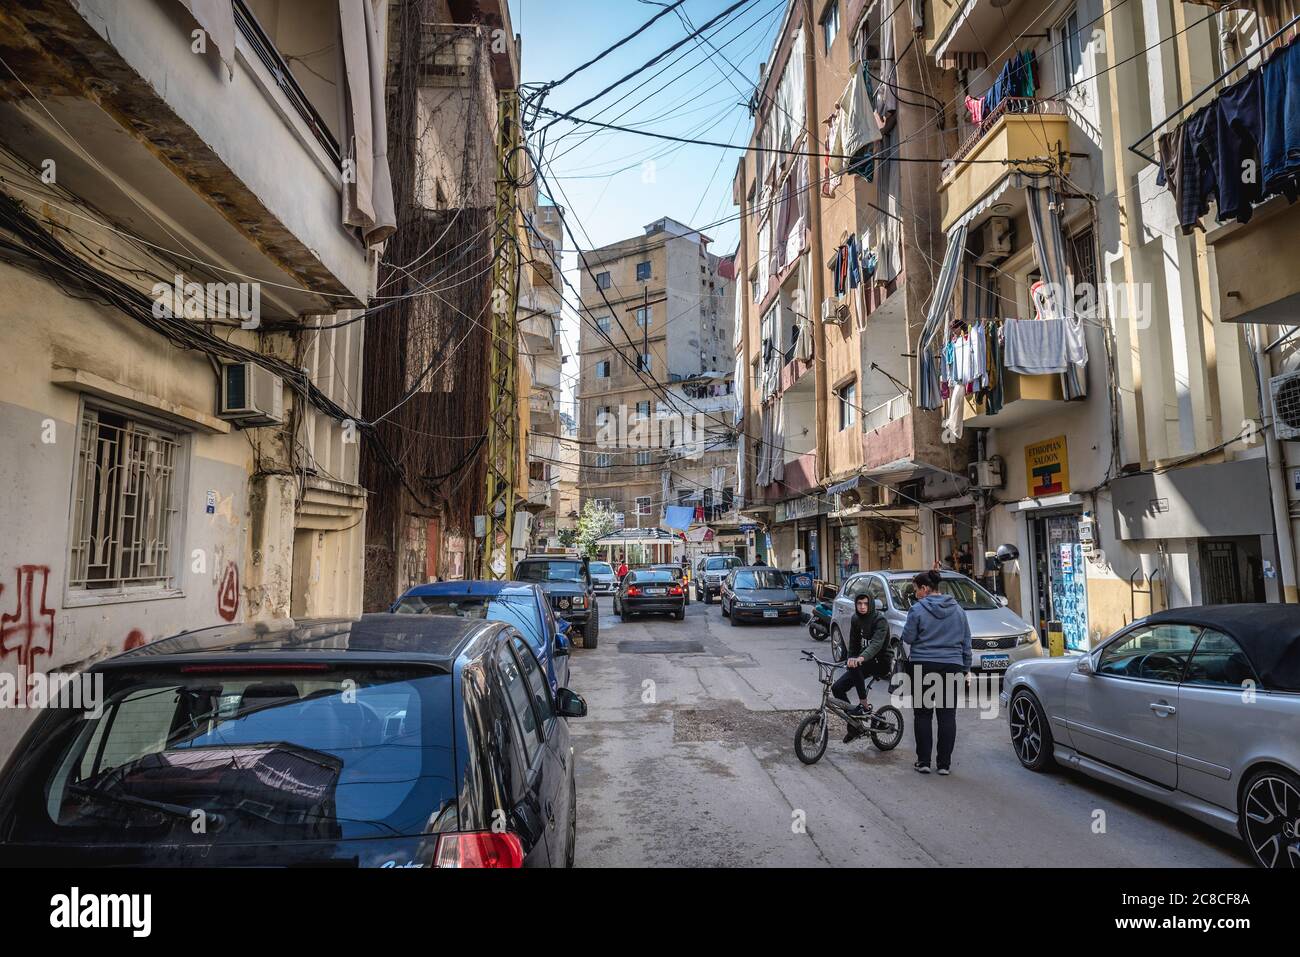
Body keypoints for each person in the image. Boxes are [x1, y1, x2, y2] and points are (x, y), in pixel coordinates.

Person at [899, 569, 972, 775]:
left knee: (923, 715)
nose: (915, 594)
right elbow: (967, 642)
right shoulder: (958, 610)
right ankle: (944, 765)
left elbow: (908, 638)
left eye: (916, 590)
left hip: (924, 664)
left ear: (925, 588)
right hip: (952, 665)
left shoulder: (917, 610)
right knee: (947, 715)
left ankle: (923, 762)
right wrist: (965, 668)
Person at [832, 593, 889, 742]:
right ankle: (855, 725)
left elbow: (876, 644)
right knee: (837, 688)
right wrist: (851, 658)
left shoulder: (880, 620)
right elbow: (853, 644)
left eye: (865, 603)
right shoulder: (855, 619)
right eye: (859, 604)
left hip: (881, 662)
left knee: (856, 666)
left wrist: (860, 658)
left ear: (870, 604)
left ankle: (863, 705)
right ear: (856, 605)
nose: (862, 607)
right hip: (863, 661)